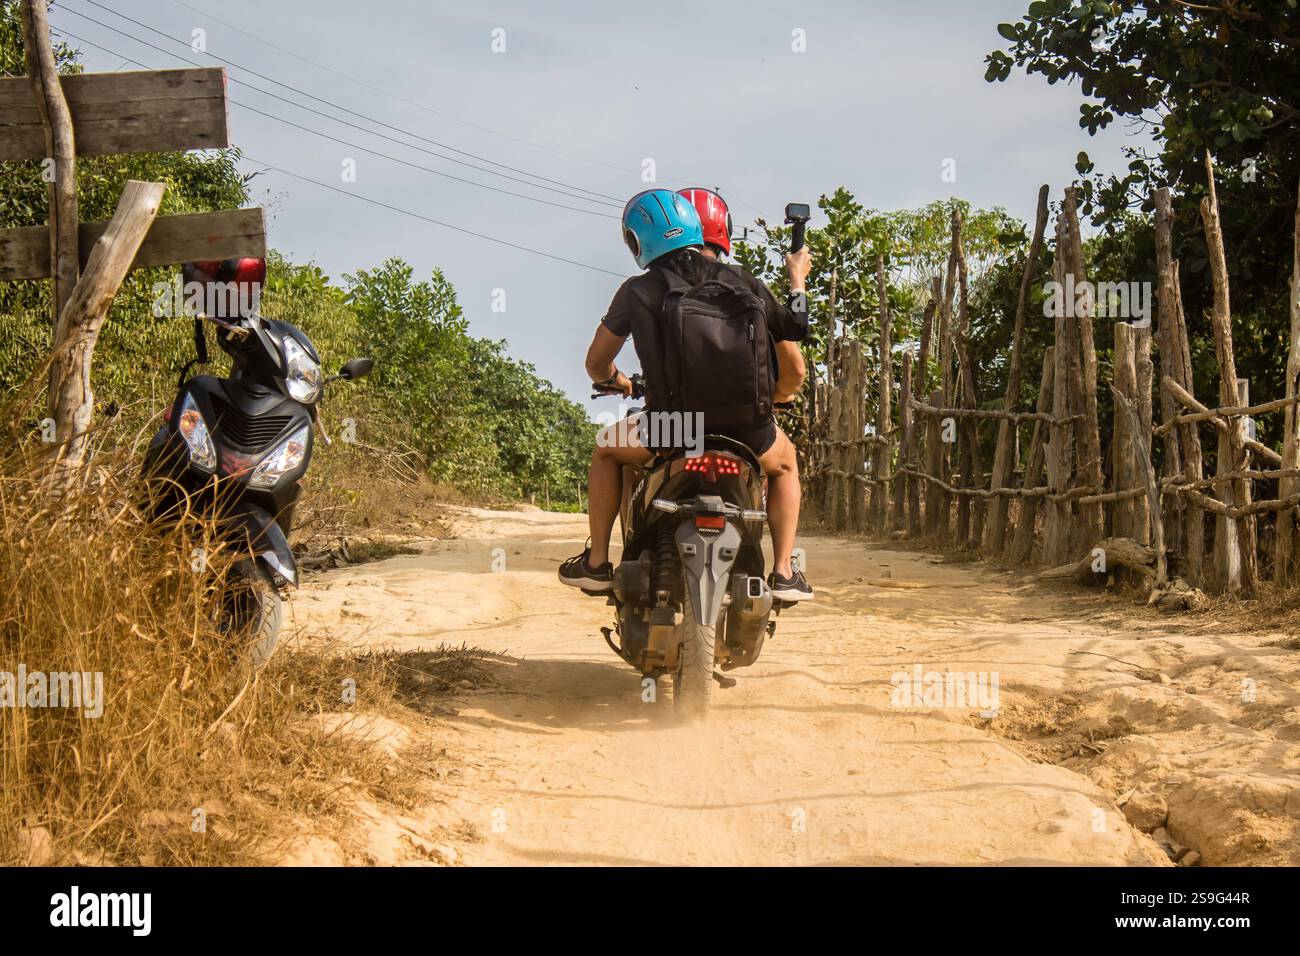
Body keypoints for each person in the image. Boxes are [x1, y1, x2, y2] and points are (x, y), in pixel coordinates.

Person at [558, 187, 814, 602]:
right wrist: (797, 279)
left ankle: (598, 563)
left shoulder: (636, 290)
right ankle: (784, 572)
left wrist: (618, 380)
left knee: (606, 449)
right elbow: (795, 333)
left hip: (671, 429)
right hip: (747, 430)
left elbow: (595, 365)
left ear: (638, 243)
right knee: (785, 465)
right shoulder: (743, 281)